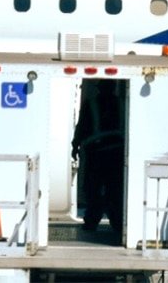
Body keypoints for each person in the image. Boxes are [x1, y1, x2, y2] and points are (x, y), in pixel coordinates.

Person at [72, 80, 124, 238]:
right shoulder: (122, 103)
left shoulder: (91, 104)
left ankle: (92, 221)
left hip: (96, 153)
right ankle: (117, 223)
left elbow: (81, 126)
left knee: (93, 189)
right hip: (116, 154)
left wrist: (75, 146)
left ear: (99, 89)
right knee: (114, 190)